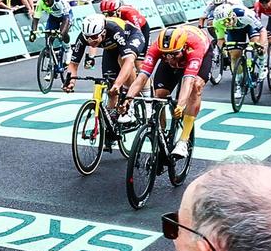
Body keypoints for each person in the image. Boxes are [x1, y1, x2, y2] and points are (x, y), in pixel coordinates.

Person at [120, 25, 209, 161]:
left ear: (184, 47)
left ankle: (183, 141)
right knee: (159, 94)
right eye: (166, 55)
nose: (170, 59)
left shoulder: (194, 47)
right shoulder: (157, 47)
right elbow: (142, 78)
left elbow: (188, 81)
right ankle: (160, 135)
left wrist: (181, 105)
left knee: (195, 87)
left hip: (200, 54)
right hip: (175, 53)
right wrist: (128, 99)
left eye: (174, 54)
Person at [63, 14, 146, 122]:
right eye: (87, 37)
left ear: (103, 32)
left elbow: (128, 62)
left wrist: (118, 84)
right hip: (111, 48)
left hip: (131, 37)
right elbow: (73, 64)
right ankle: (111, 120)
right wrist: (70, 81)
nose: (90, 41)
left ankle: (130, 103)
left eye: (94, 37)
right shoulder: (84, 37)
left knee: (124, 61)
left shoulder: (114, 30)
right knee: (111, 87)